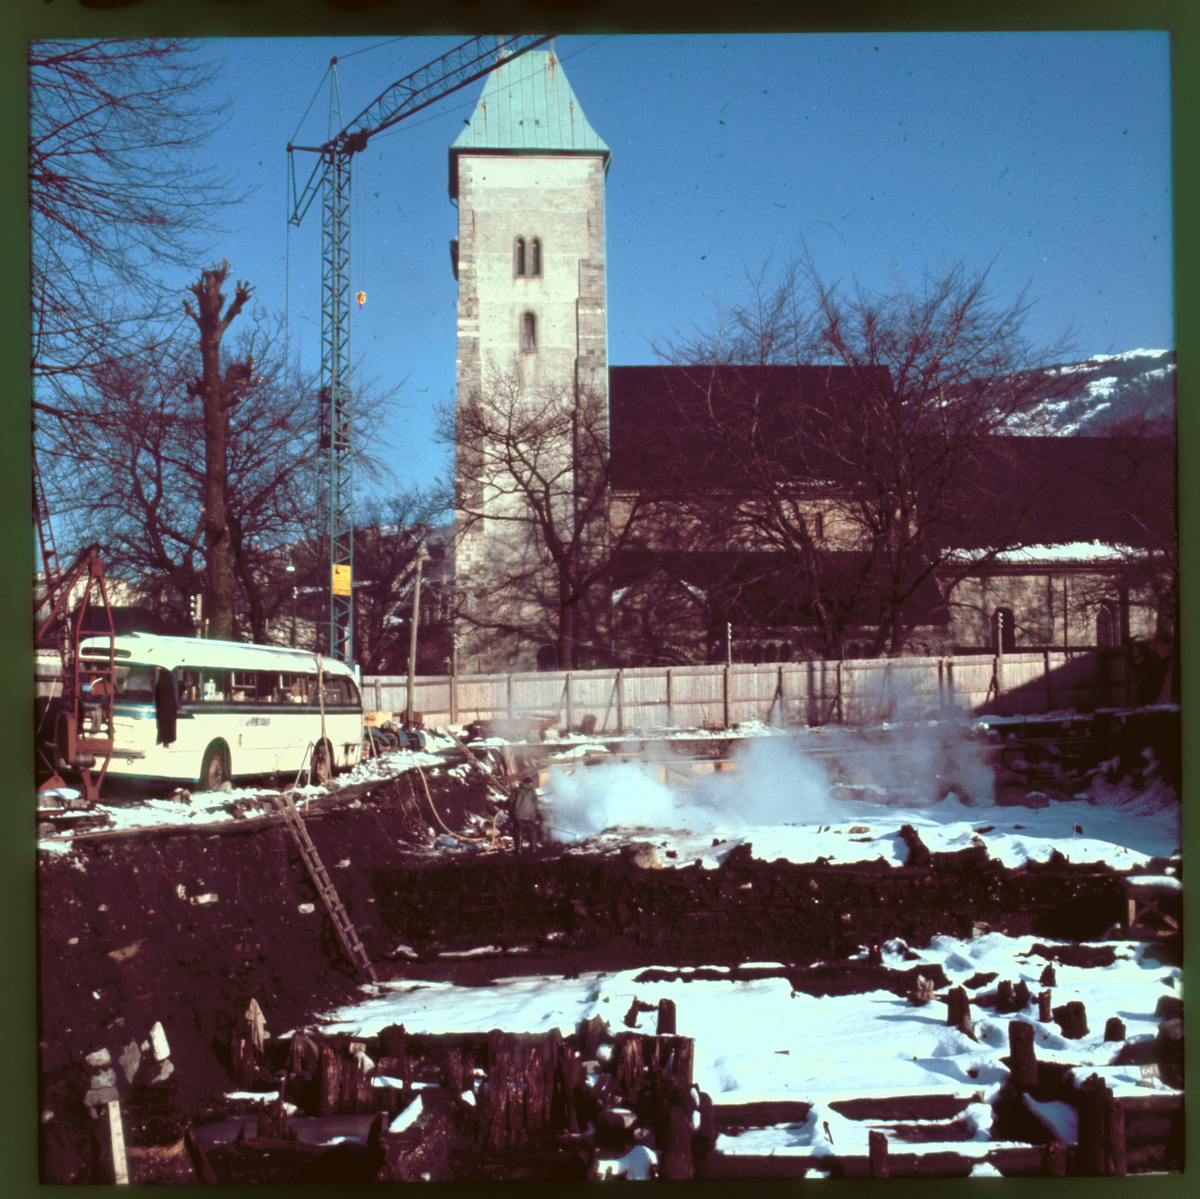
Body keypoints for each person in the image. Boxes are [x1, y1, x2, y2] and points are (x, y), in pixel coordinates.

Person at [508, 774, 540, 857]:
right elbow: (536, 803)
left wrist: (511, 811)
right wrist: (534, 813)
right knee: (532, 831)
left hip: (518, 814)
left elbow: (511, 800)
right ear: (529, 783)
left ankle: (518, 850)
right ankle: (533, 848)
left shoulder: (517, 789)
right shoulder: (532, 791)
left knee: (518, 832)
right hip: (530, 814)